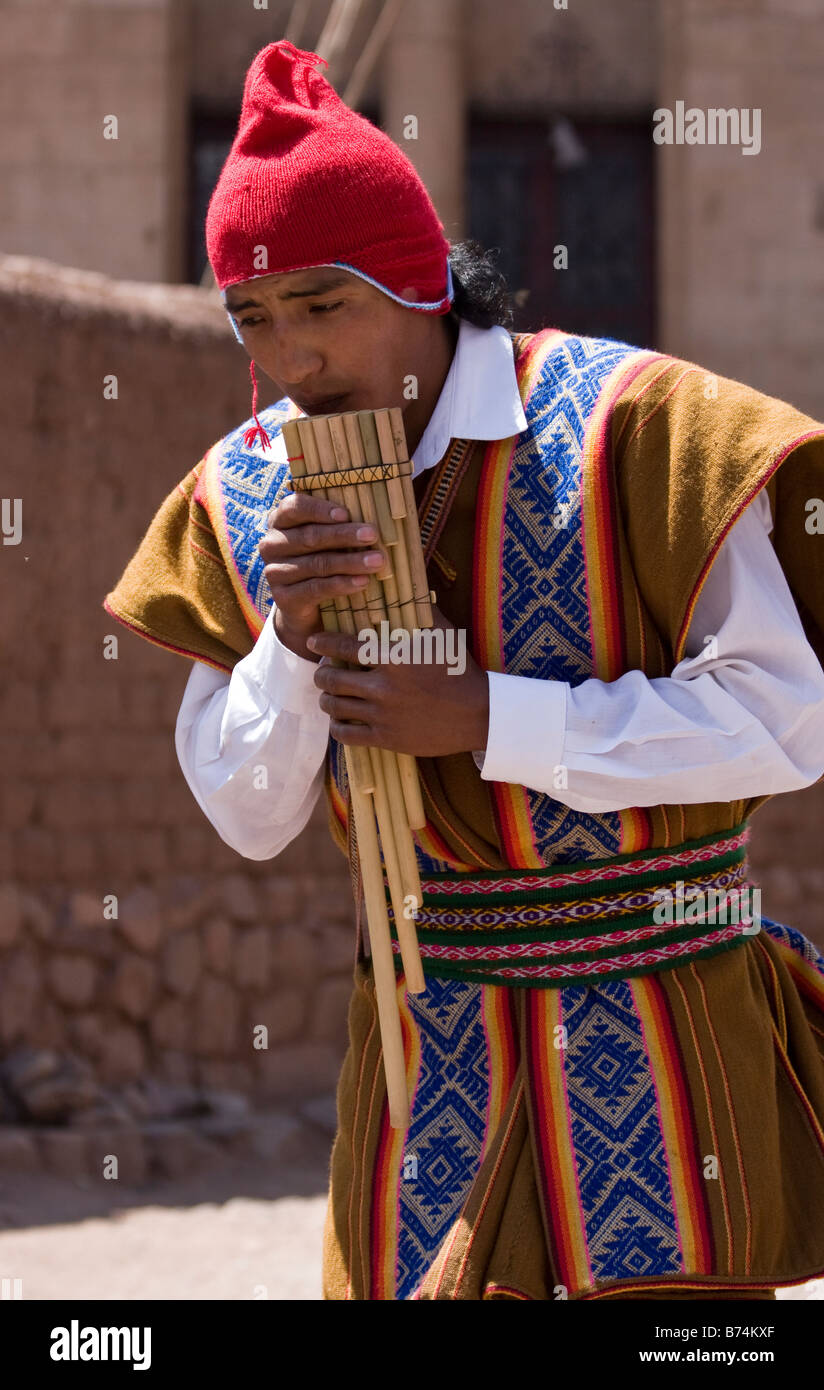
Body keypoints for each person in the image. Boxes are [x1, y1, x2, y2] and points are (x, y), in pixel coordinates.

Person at [103, 40, 824, 1301]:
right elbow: (250, 815)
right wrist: (289, 633)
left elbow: (785, 721)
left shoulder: (635, 429)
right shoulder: (244, 491)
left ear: (423, 282)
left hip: (662, 1038)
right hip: (418, 1058)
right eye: (255, 321)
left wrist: (488, 717)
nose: (294, 362)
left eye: (324, 306)